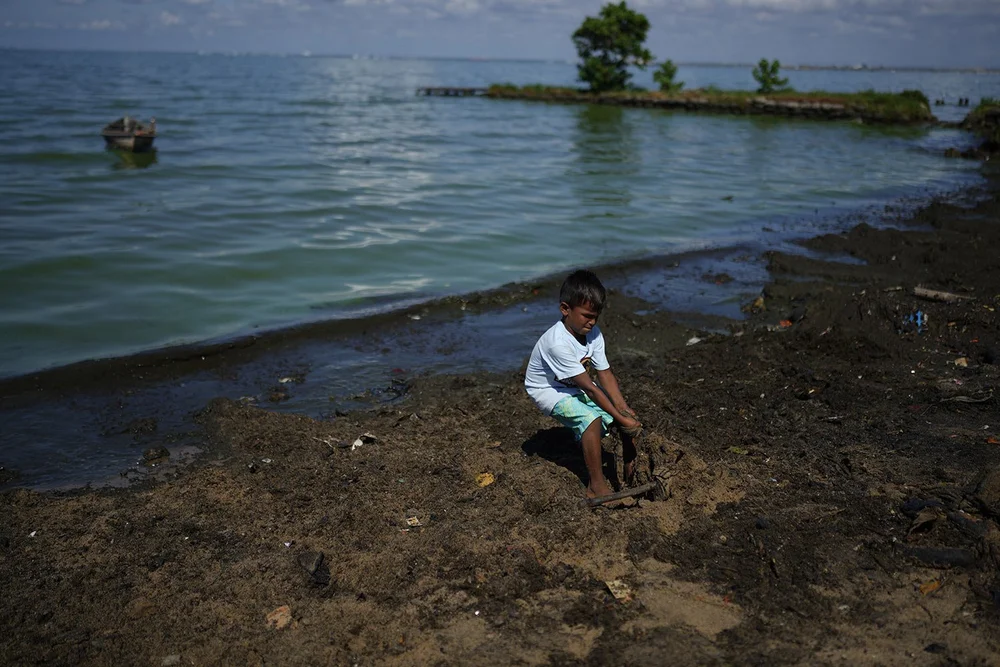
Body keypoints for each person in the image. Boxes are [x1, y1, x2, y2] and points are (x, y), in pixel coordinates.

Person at [524, 269, 642, 500]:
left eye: (596, 316)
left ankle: (630, 466)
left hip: (570, 384)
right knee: (591, 419)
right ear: (565, 309)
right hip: (548, 389)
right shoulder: (557, 343)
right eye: (587, 315)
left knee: (622, 413)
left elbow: (604, 373)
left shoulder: (594, 334)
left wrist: (623, 409)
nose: (592, 322)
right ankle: (596, 486)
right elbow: (590, 387)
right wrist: (621, 419)